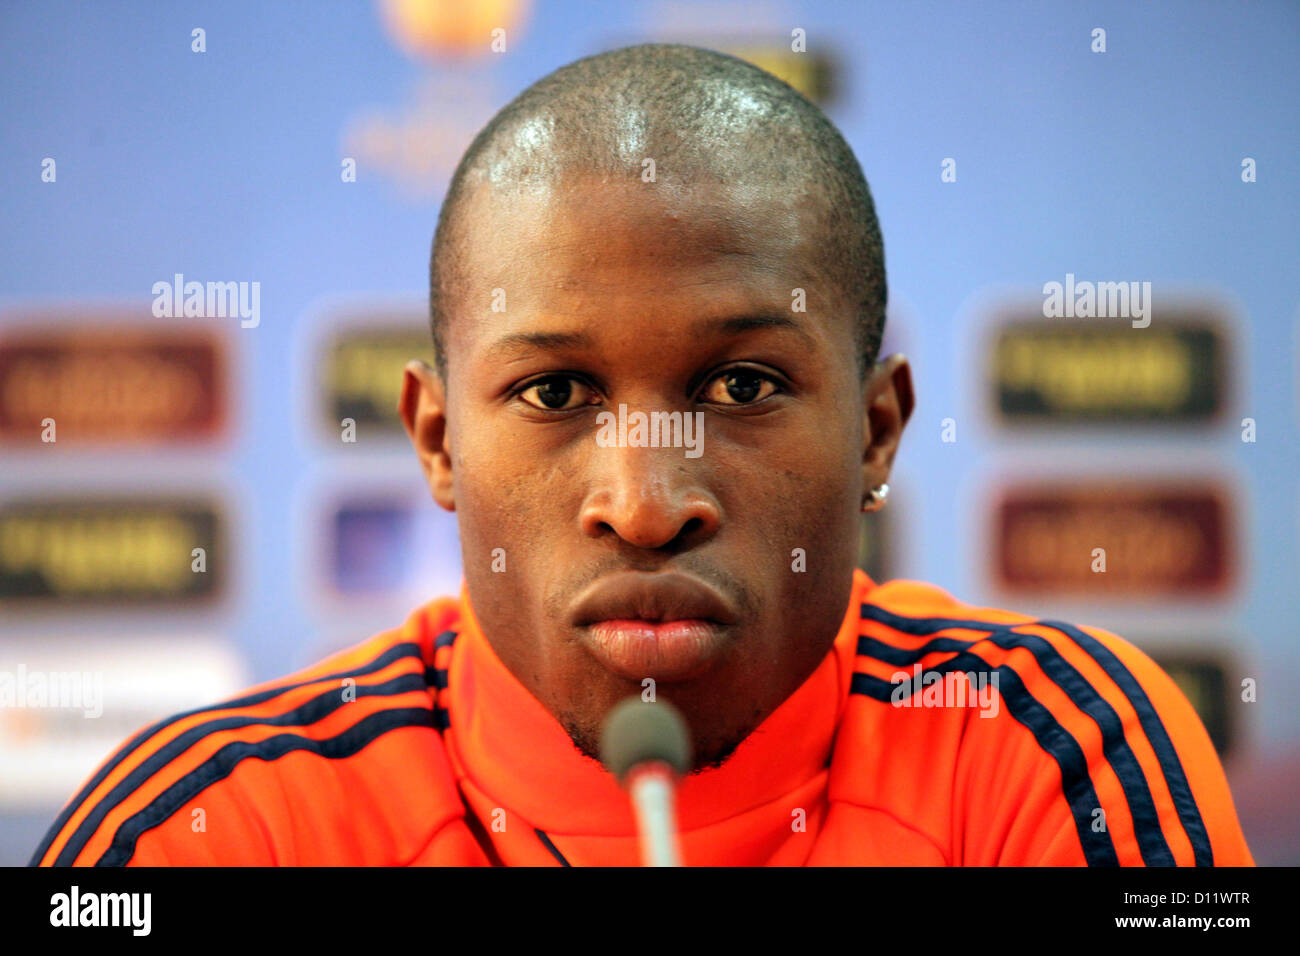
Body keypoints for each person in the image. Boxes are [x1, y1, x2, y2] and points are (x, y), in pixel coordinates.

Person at [33, 43, 1252, 866]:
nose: (645, 501)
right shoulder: (213, 824)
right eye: (555, 392)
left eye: (743, 385)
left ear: (875, 430)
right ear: (439, 441)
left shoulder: (1053, 750)